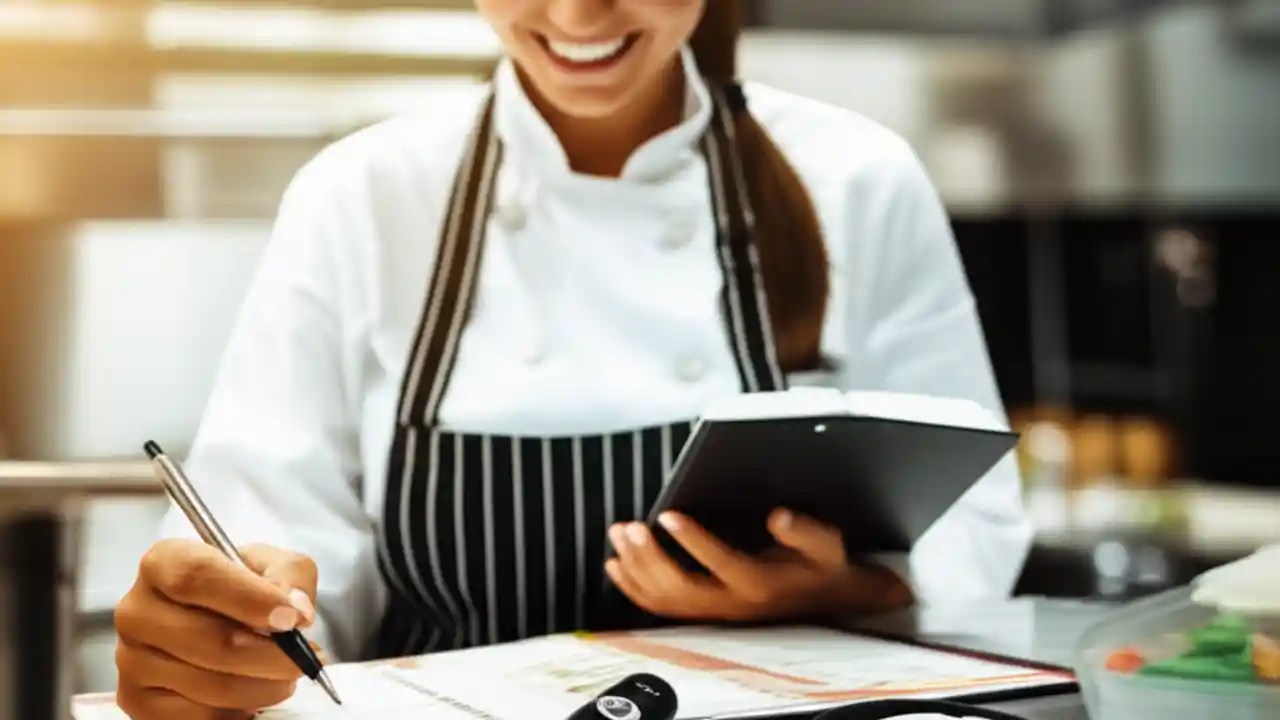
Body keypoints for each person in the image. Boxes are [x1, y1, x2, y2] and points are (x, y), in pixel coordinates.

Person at [112, 0, 1033, 717]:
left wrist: (853, 589)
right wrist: (221, 635)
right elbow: (272, 548)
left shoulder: (859, 177)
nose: (578, 15)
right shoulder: (359, 195)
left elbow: (973, 524)